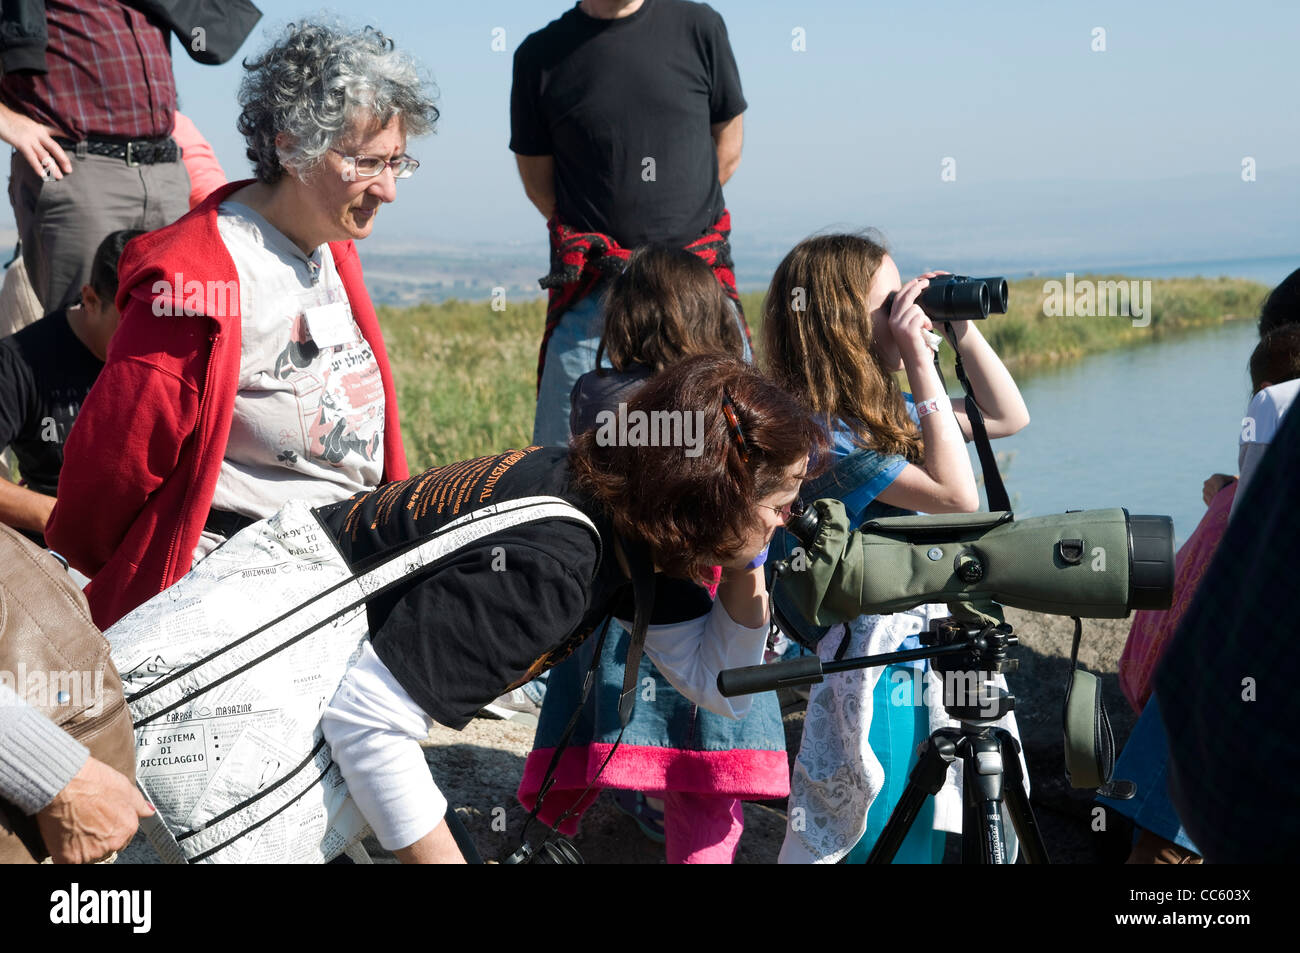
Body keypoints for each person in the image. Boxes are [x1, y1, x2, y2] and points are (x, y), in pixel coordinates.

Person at [46, 21, 438, 629]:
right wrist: (88, 597)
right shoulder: (195, 280)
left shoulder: (333, 247)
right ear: (290, 146)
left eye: (397, 162)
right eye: (366, 163)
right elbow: (114, 463)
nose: (387, 189)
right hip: (240, 600)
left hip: (348, 569)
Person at [760, 233, 1030, 863]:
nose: (906, 310)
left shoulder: (877, 415)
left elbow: (1007, 416)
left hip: (917, 654)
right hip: (871, 669)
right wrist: (920, 360)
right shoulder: (825, 433)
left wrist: (959, 330)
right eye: (891, 303)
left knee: (926, 833)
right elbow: (957, 497)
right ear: (842, 322)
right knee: (879, 833)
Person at [515, 247, 782, 864]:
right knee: (706, 778)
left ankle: (536, 844)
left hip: (615, 605)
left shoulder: (594, 394)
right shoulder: (729, 402)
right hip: (710, 601)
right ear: (711, 318)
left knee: (581, 748)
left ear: (626, 321)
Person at [510, 0, 750, 446]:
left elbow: (728, 148)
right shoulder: (539, 55)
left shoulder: (700, 27)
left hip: (699, 295)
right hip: (593, 302)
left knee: (730, 463)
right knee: (567, 470)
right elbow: (540, 185)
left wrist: (668, 247)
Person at [0, 0, 200, 313]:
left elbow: (211, 30)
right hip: (77, 171)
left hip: (167, 172)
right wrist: (7, 122)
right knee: (83, 339)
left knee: (175, 331)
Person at [0, 229, 141, 544]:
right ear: (90, 300)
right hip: (59, 545)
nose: (142, 342)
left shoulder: (163, 348)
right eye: (128, 324)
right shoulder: (19, 362)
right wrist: (65, 518)